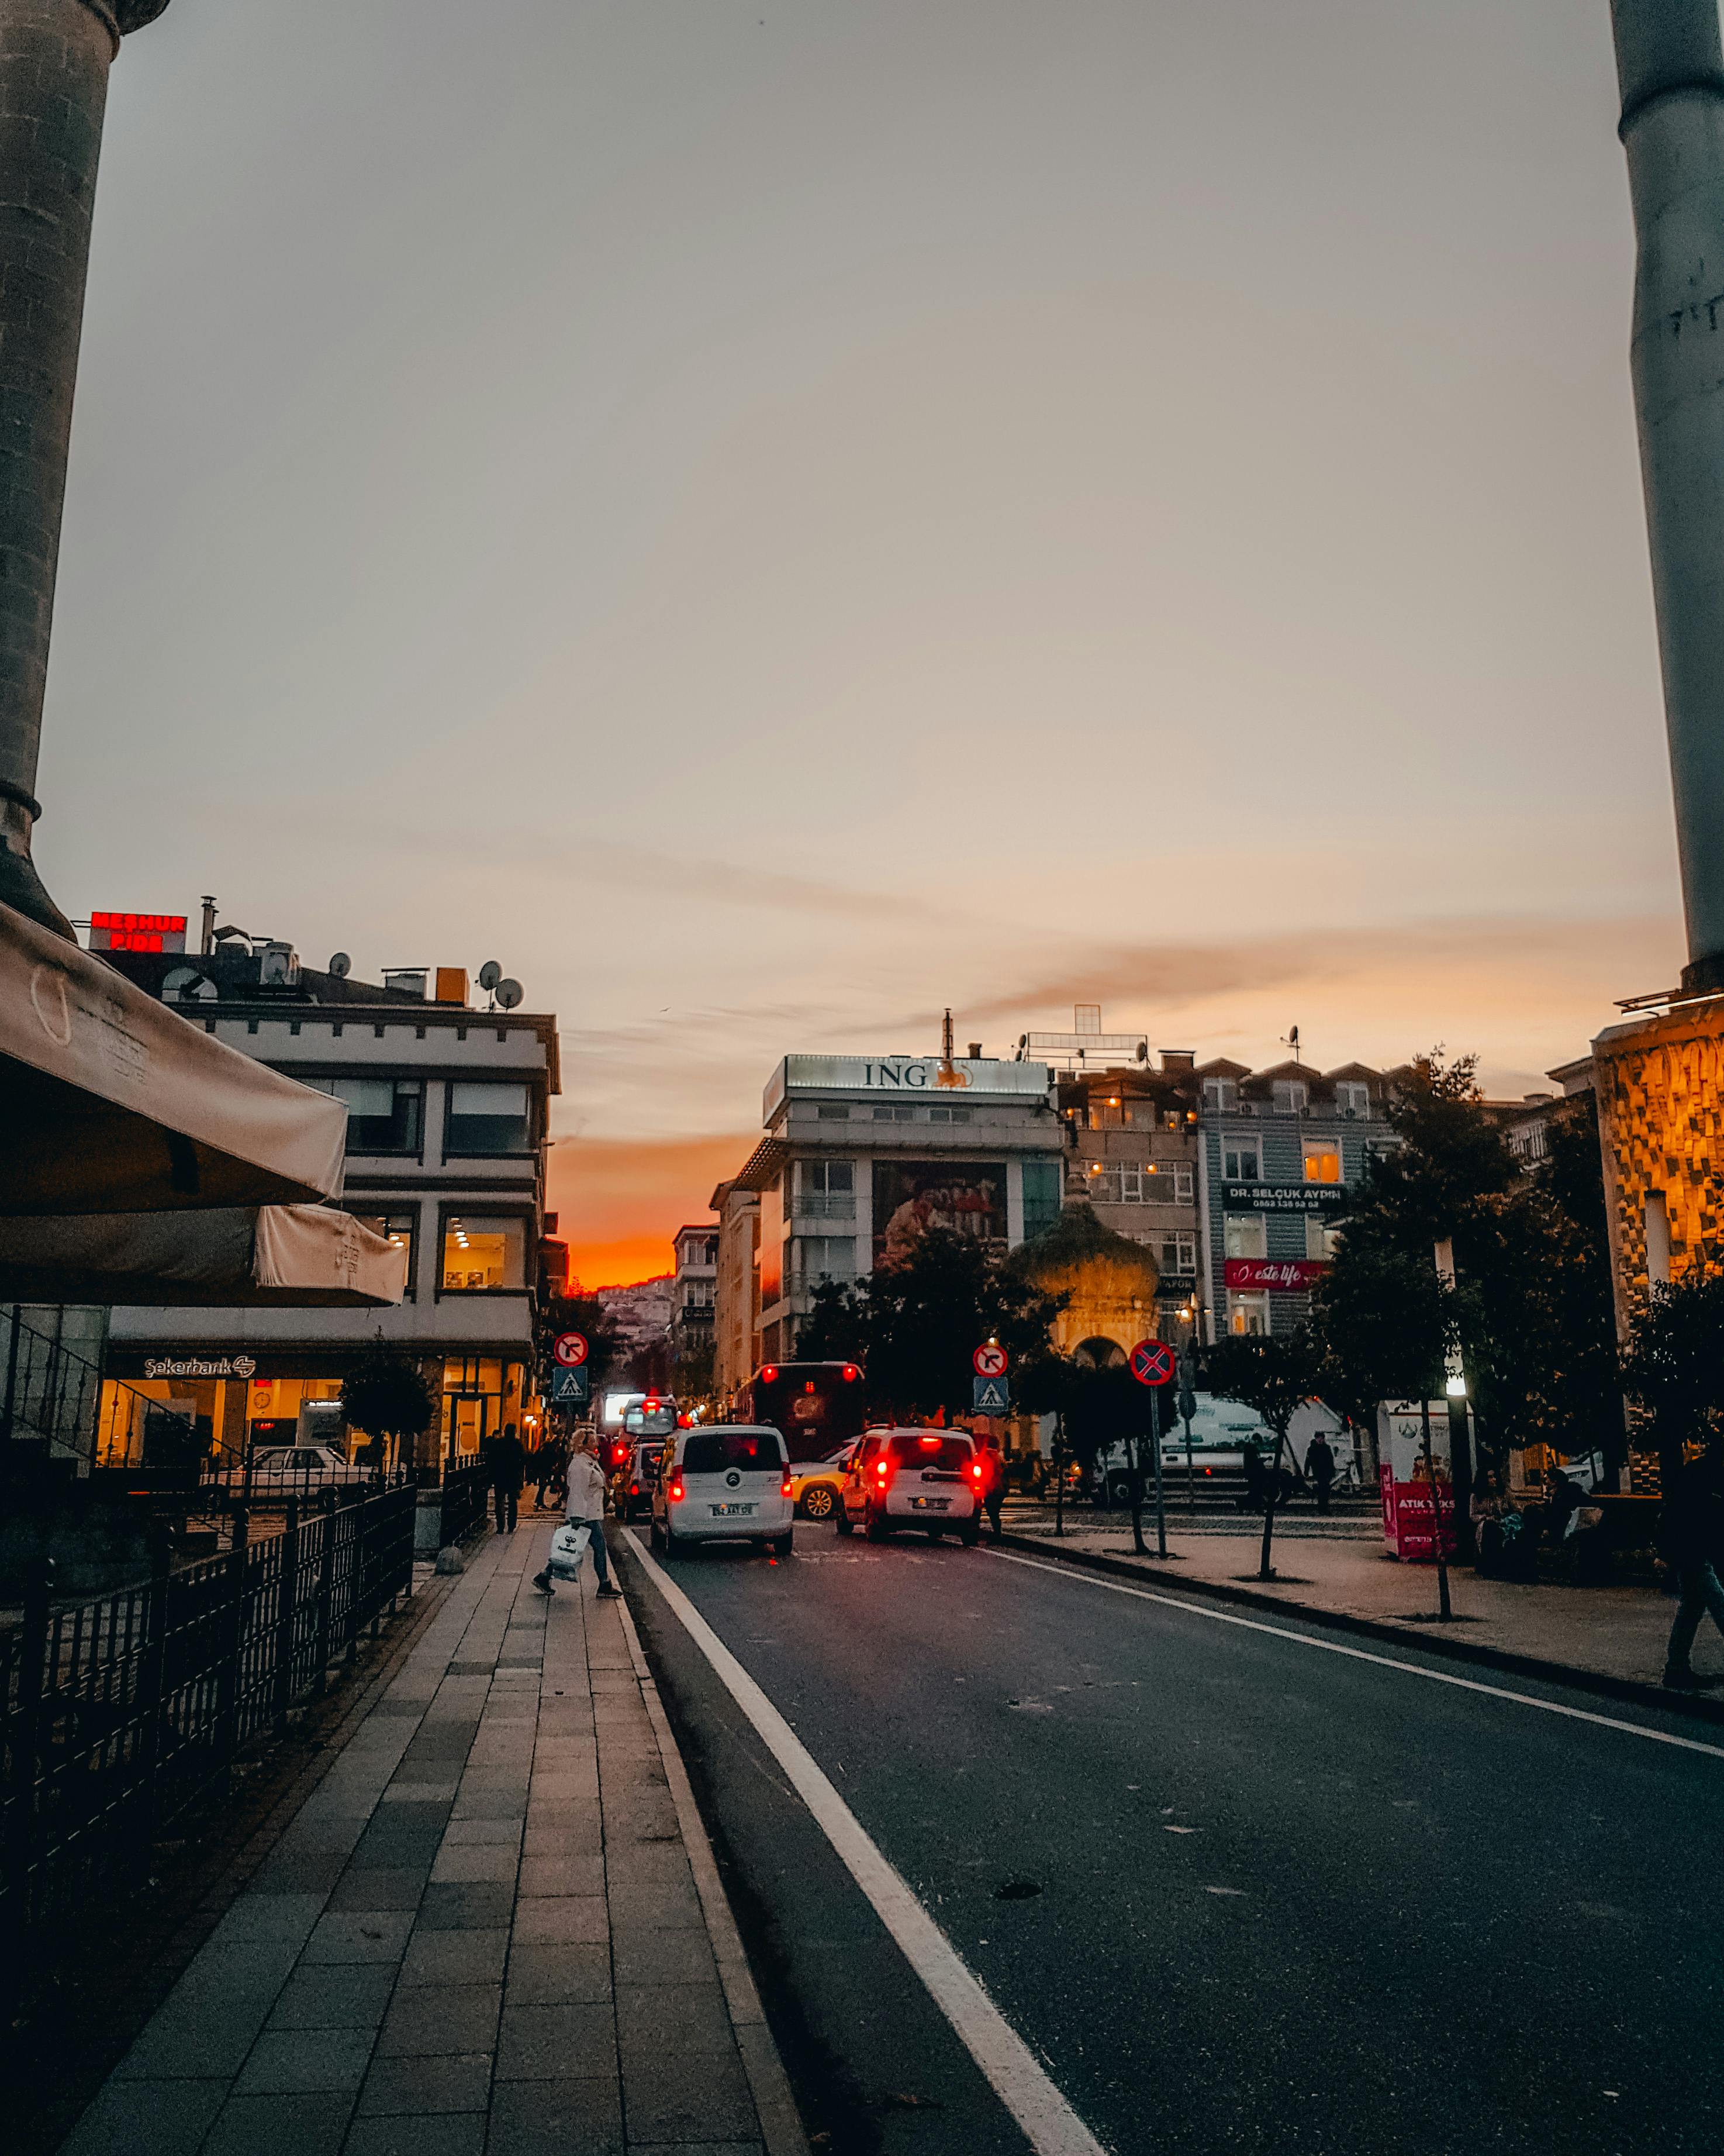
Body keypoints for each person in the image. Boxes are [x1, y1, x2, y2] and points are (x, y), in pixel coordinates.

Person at [1660, 1454, 1724, 1691]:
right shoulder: (1706, 1474)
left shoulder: (1699, 1471)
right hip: (1695, 1552)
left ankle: (1676, 1667)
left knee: (1691, 1609)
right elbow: (1700, 1518)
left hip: (1692, 1552)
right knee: (1719, 1605)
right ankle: (1676, 1668)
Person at [533, 1431, 619, 1599]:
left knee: (568, 1549)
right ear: (583, 1444)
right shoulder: (580, 1465)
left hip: (590, 1512)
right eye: (592, 1440)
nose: (596, 1442)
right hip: (585, 1515)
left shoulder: (589, 1461)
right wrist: (577, 1517)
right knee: (598, 1547)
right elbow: (578, 1493)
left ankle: (544, 1576)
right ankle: (604, 1584)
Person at [489, 1420, 526, 1534]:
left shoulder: (498, 1443)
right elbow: (522, 1461)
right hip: (513, 1477)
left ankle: (500, 1526)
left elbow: (492, 1460)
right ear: (514, 1432)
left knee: (500, 1502)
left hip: (500, 1476)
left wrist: (492, 1476)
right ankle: (511, 1525)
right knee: (512, 1502)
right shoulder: (517, 1444)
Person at [977, 1437, 1006, 1541]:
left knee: (990, 1512)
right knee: (995, 1512)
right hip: (1000, 1489)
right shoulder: (999, 1457)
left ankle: (997, 1535)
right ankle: (997, 1533)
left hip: (990, 1488)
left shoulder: (986, 1456)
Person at [1305, 1431, 1336, 1516]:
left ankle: (1323, 1508)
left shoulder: (1326, 1448)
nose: (1320, 1440)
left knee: (1325, 1491)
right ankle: (1323, 1508)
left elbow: (1330, 1460)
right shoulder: (1312, 1449)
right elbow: (1308, 1461)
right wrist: (1306, 1471)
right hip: (1319, 1472)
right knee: (1323, 1490)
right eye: (1319, 1438)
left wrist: (1332, 1471)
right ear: (1316, 1439)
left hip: (1326, 1472)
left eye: (1322, 1438)